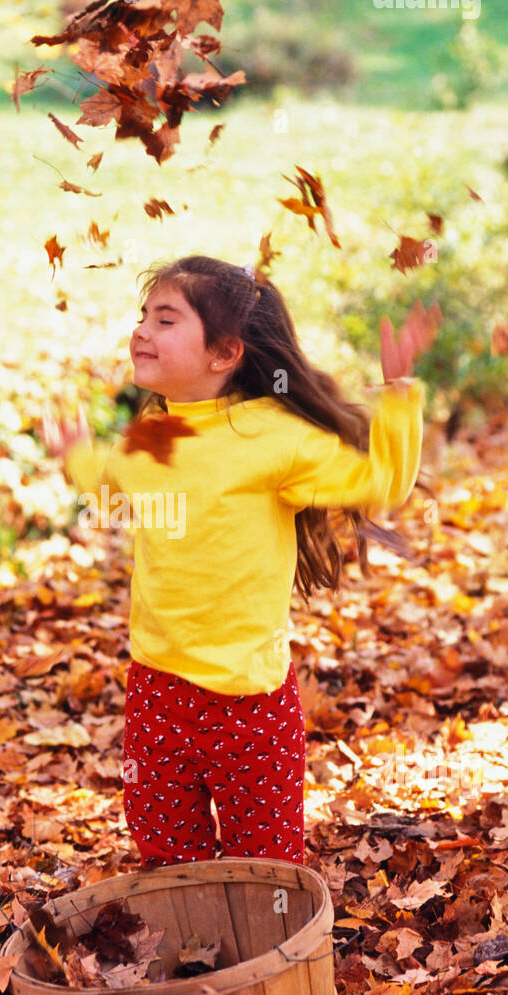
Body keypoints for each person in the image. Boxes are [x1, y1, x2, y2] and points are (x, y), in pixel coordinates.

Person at [37, 255, 435, 868]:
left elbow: (380, 483)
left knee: (268, 864)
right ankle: (191, 932)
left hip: (250, 700)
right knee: (169, 859)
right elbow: (113, 489)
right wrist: (76, 457)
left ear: (224, 353)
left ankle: (269, 931)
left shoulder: (273, 438)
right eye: (143, 315)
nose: (141, 330)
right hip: (157, 690)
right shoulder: (152, 435)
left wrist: (398, 395)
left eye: (165, 319)